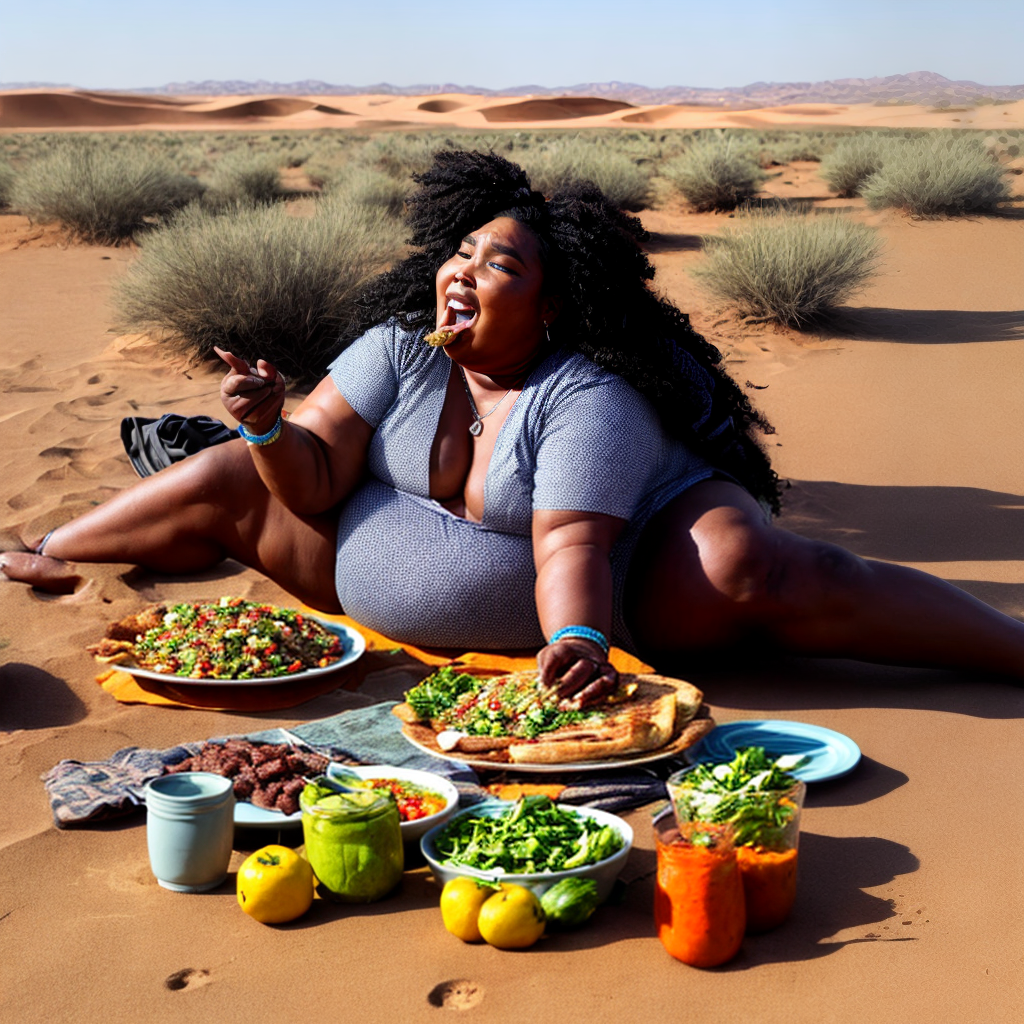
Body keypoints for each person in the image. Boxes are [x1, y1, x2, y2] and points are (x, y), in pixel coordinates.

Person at [2, 150, 1022, 701]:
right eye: (459, 252)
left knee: (758, 566)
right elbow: (307, 483)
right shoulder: (395, 349)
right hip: (385, 555)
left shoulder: (585, 396)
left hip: (634, 575)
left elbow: (569, 544)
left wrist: (578, 635)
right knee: (233, 469)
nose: (462, 273)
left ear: (552, 306)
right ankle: (45, 551)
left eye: (500, 266)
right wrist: (270, 426)